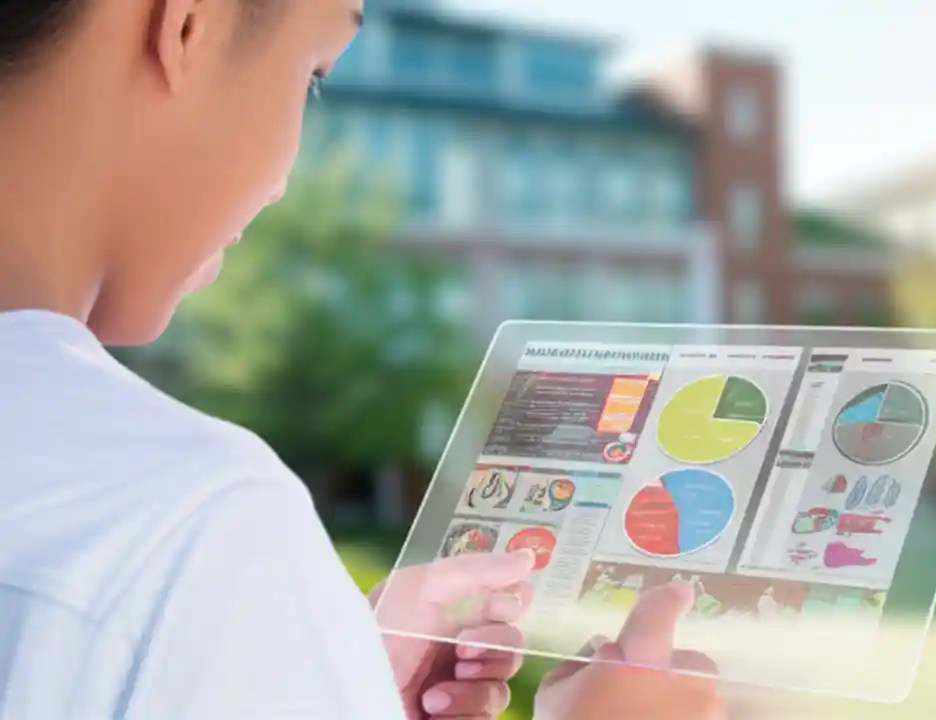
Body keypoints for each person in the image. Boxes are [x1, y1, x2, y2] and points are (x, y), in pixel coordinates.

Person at [0, 1, 725, 718]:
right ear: (189, 23)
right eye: (313, 76)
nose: (283, 182)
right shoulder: (195, 519)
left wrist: (332, 683)